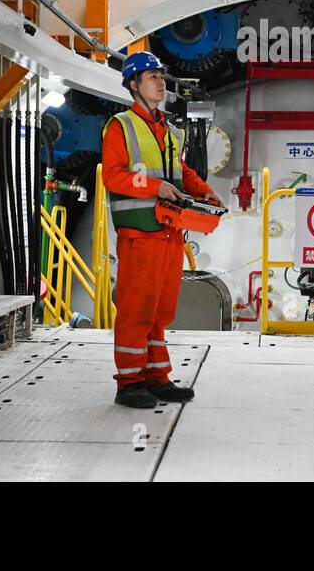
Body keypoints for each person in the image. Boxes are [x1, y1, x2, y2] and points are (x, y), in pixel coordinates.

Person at [101, 51, 224, 408]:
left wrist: (203, 189)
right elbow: (113, 174)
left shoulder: (171, 131)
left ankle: (156, 378)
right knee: (136, 308)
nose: (160, 81)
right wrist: (156, 188)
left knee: (160, 310)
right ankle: (129, 382)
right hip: (140, 232)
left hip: (170, 231)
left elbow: (181, 173)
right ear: (133, 85)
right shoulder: (120, 126)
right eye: (151, 76)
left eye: (161, 76)